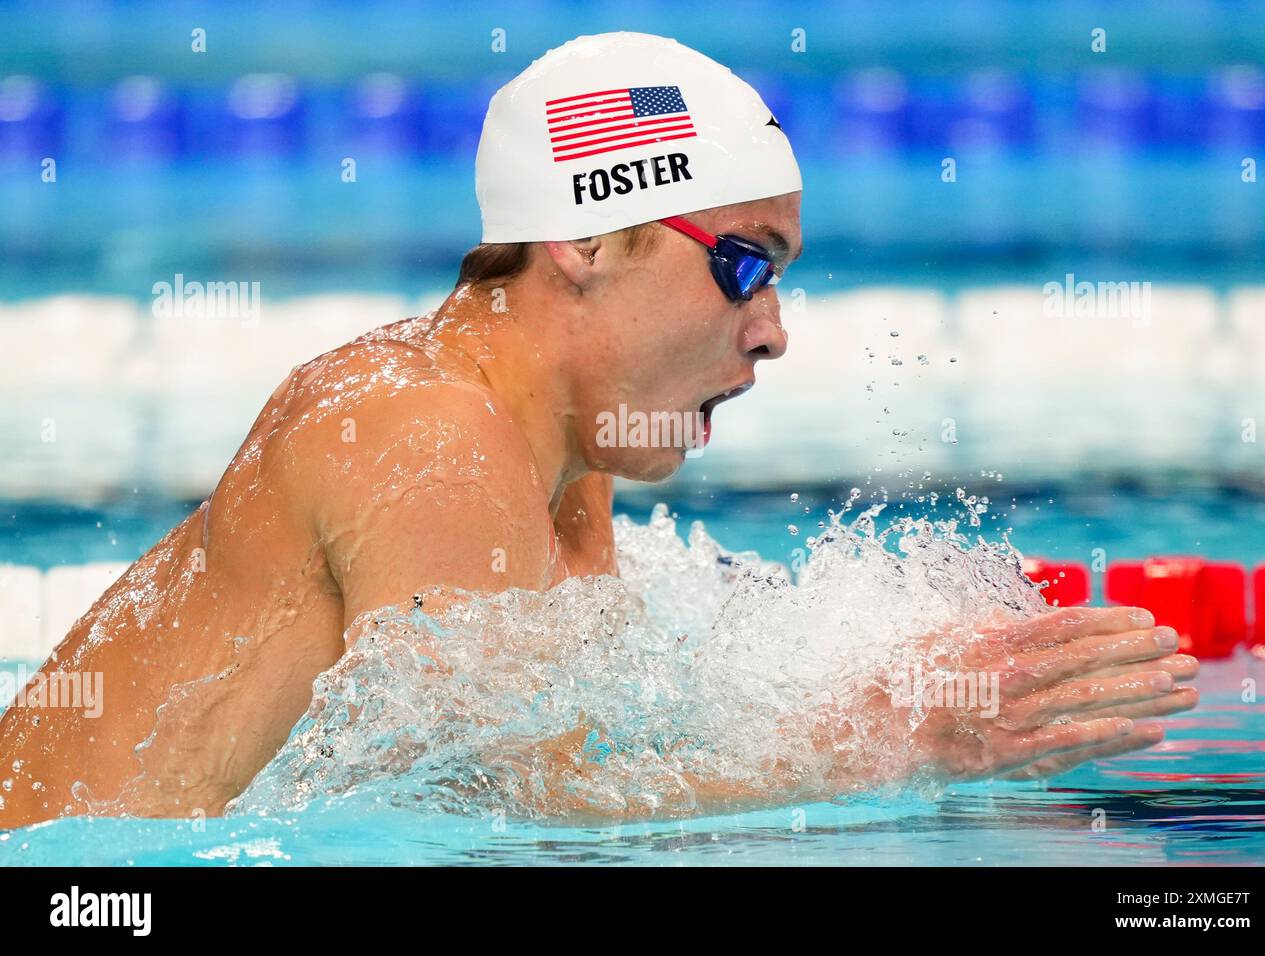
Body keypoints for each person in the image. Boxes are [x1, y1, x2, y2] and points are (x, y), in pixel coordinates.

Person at [0, 32, 1198, 829]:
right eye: (743, 264)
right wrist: (895, 742)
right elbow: (492, 813)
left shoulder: (559, 459)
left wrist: (858, 682)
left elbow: (582, 761)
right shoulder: (424, 427)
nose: (772, 330)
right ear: (585, 239)